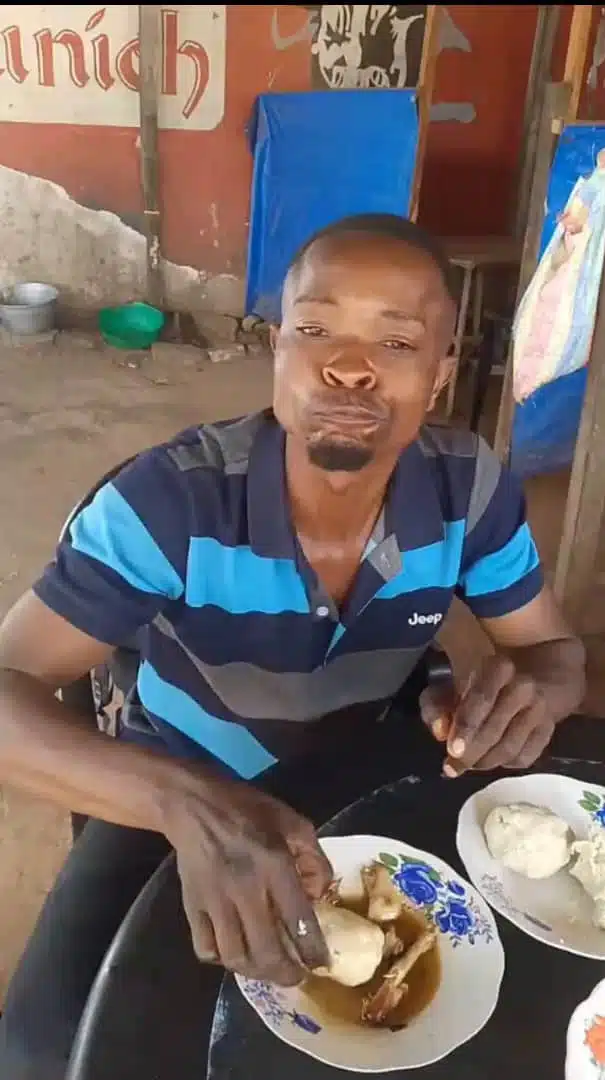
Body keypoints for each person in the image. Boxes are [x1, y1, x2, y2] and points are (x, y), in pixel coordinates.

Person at [0, 214, 585, 1078]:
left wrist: (536, 685)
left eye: (395, 340)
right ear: (277, 351)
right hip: (181, 790)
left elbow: (553, 651)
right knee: (41, 1052)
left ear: (438, 377)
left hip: (373, 777)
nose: (348, 366)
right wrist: (186, 803)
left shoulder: (469, 490)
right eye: (315, 329)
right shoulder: (171, 505)